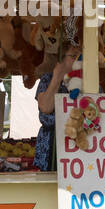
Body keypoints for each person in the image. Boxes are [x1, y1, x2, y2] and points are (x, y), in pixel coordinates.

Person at [33, 42, 82, 172]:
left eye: (81, 56)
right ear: (61, 59)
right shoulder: (47, 79)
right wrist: (57, 77)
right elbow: (45, 107)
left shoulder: (88, 81)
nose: (79, 60)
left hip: (79, 143)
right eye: (74, 56)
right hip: (52, 143)